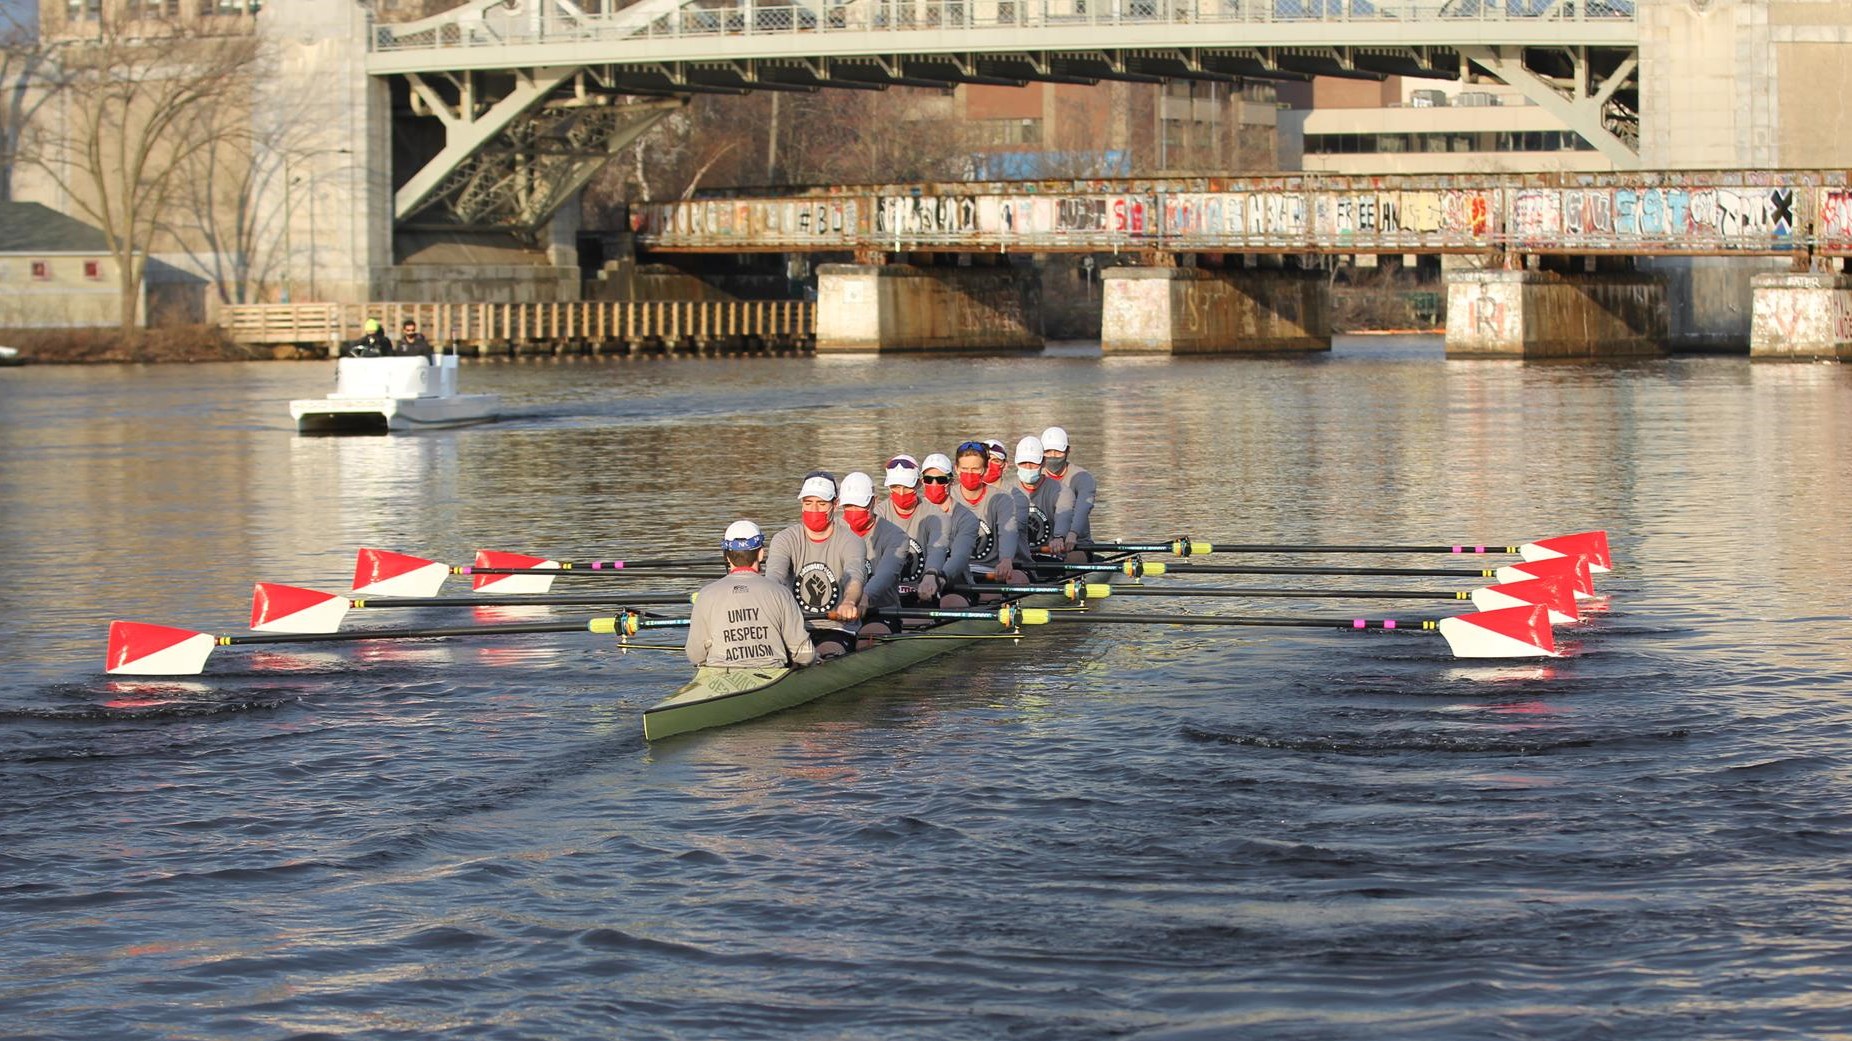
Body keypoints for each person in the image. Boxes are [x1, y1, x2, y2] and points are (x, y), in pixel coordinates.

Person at [683, 521, 816, 670]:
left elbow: (695, 655)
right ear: (760, 554)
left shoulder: (706, 595)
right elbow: (805, 654)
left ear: (727, 557)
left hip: (719, 677)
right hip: (772, 678)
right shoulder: (781, 592)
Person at [764, 472, 868, 659]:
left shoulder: (851, 541)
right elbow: (774, 578)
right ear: (801, 504)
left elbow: (854, 576)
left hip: (837, 628)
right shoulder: (784, 539)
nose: (814, 509)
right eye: (808, 503)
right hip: (794, 628)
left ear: (835, 505)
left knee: (821, 655)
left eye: (821, 504)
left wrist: (849, 602)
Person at [838, 470, 908, 636]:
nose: (854, 511)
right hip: (841, 612)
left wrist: (865, 596)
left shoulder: (896, 536)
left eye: (859, 505)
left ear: (874, 502)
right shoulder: (834, 531)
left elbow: (886, 574)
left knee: (865, 639)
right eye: (848, 506)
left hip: (880, 611)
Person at [952, 439, 1026, 591]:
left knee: (1015, 579)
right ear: (956, 469)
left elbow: (1008, 532)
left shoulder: (1003, 498)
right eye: (965, 469)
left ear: (985, 470)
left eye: (975, 469)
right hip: (954, 573)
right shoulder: (948, 497)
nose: (970, 473)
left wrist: (1006, 559)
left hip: (990, 572)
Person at [912, 451, 978, 607]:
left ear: (951, 482)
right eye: (929, 479)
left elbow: (959, 557)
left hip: (954, 584)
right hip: (917, 584)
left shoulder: (967, 519)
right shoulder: (914, 512)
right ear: (922, 482)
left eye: (940, 479)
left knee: (946, 603)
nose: (934, 484)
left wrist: (939, 577)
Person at [1009, 435, 1065, 578]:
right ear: (1015, 462)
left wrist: (1059, 536)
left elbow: (1065, 514)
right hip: (1016, 559)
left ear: (1043, 462)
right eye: (1023, 463)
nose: (1028, 468)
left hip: (1048, 557)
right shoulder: (1006, 490)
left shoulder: (1061, 491)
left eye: (1033, 463)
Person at [1041, 425, 1098, 558]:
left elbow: (1083, 508)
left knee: (1075, 557)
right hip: (1042, 547)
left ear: (1068, 451)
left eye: (1058, 452)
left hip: (1076, 544)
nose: (1053, 456)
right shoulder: (1036, 477)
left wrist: (1073, 533)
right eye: (1048, 451)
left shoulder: (1083, 477)